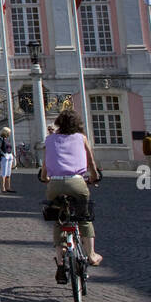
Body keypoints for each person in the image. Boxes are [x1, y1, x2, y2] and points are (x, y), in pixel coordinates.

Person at [39, 109, 102, 281]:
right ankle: (91, 254)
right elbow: (90, 161)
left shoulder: (50, 140)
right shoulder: (81, 138)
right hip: (76, 182)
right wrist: (95, 176)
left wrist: (44, 178)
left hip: (55, 184)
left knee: (58, 220)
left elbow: (45, 165)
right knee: (85, 218)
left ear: (58, 123)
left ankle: (60, 262)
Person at [0, 127, 15, 193]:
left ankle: (8, 187)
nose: (10, 133)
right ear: (6, 132)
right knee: (4, 172)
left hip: (9, 155)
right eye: (9, 132)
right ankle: (3, 188)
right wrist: (3, 154)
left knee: (8, 172)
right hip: (5, 156)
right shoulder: (0, 139)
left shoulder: (6, 139)